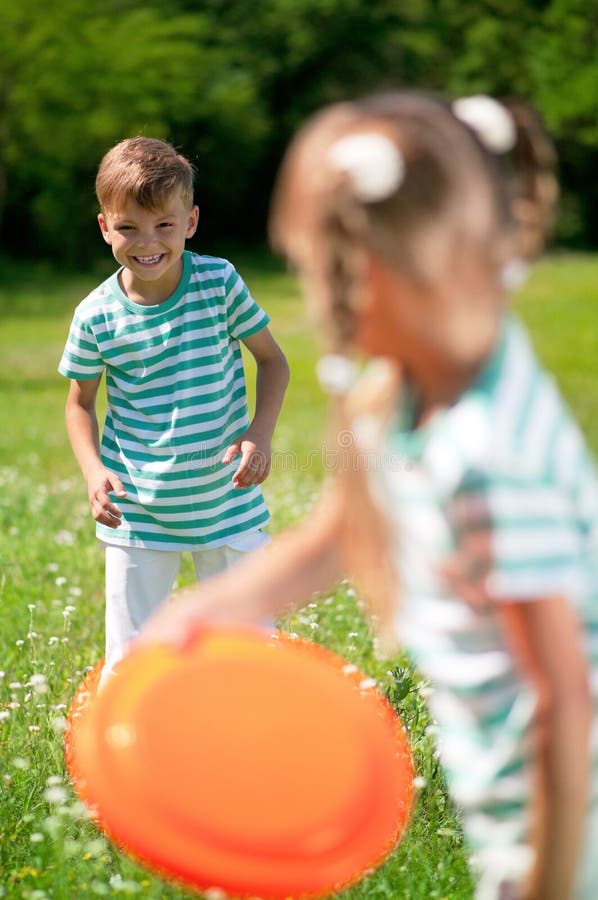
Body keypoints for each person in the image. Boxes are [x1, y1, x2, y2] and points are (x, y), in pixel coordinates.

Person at [138, 95, 597, 900]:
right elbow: (347, 528)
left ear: (375, 276)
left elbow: (564, 705)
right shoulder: (403, 389)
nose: (315, 300)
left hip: (564, 820)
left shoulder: (487, 456)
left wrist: (550, 882)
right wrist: (208, 610)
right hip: (513, 796)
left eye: (315, 270)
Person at [59, 137, 289, 683]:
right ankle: (127, 753)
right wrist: (94, 471)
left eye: (164, 225)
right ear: (104, 227)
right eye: (129, 227)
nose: (147, 242)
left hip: (226, 497)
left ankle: (251, 738)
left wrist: (260, 432)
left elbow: (273, 363)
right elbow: (79, 404)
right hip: (138, 509)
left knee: (249, 646)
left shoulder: (218, 283)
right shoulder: (95, 317)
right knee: (131, 658)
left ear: (191, 221)